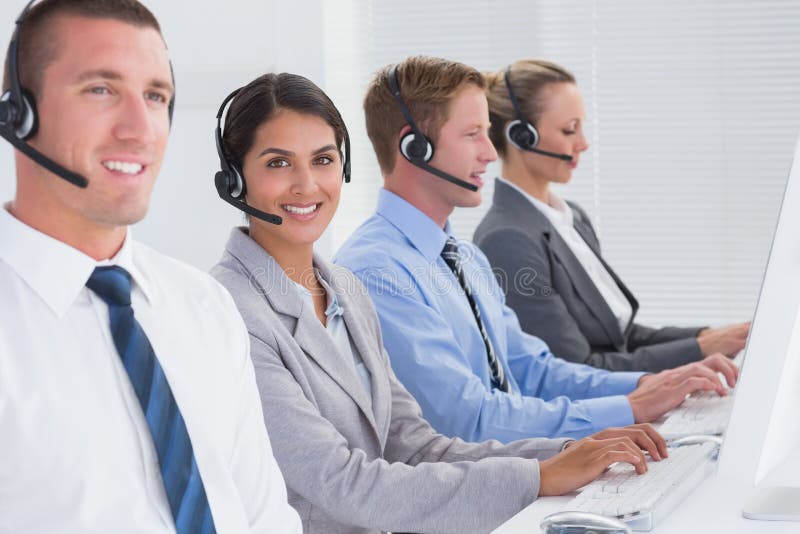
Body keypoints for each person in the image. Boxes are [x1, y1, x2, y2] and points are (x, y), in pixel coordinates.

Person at [210, 71, 671, 534]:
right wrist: (537, 477)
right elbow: (343, 483)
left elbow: (412, 444)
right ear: (234, 178)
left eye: (324, 159)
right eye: (277, 163)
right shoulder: (229, 311)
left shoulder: (345, 291)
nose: (307, 184)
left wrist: (567, 452)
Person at [0, 1, 299, 532]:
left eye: (156, 95)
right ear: (17, 113)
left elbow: (265, 517)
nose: (141, 128)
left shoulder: (203, 305)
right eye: (101, 89)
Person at [335, 55, 739, 444]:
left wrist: (649, 385)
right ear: (415, 147)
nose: (490, 153)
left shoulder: (465, 259)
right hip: (470, 492)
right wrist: (627, 409)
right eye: (472, 134)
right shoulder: (375, 272)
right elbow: (466, 420)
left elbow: (535, 373)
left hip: (518, 466)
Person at [475, 58, 750, 372]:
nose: (583, 144)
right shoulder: (508, 239)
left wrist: (710, 337)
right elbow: (575, 368)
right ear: (521, 136)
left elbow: (620, 337)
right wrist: (700, 349)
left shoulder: (570, 217)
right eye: (569, 130)